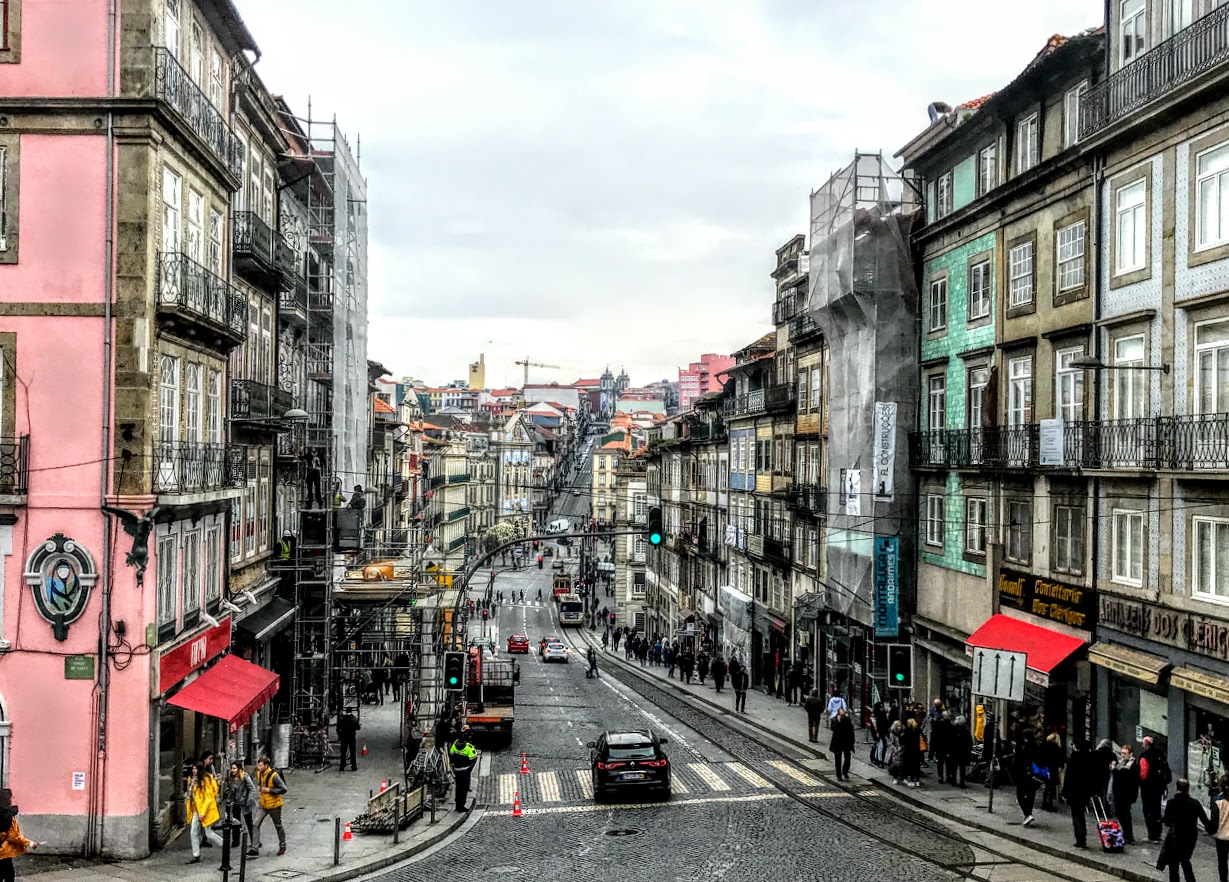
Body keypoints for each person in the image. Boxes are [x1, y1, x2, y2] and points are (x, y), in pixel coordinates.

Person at [1160, 778, 1211, 882]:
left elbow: (1167, 822)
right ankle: (1190, 880)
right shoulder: (1195, 803)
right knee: (1185, 860)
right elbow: (1205, 820)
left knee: (1173, 864)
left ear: (1177, 788)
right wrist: (1210, 829)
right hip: (1190, 837)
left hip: (1175, 837)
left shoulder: (1172, 803)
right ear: (1188, 789)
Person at [185, 762, 224, 863]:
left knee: (209, 833)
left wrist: (202, 813)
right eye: (193, 769)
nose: (194, 771)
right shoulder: (191, 780)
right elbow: (190, 796)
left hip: (206, 810)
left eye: (196, 769)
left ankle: (224, 844)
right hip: (197, 809)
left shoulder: (205, 780)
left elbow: (208, 798)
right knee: (193, 831)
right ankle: (196, 855)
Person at [0, 789, 38, 882]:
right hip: (3, 851)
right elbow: (13, 836)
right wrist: (29, 843)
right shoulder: (8, 816)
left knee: (4, 873)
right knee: (9, 874)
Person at [252, 756, 287, 857]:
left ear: (266, 765)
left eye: (261, 766)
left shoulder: (274, 776)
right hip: (263, 804)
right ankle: (255, 848)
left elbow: (284, 789)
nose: (258, 767)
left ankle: (282, 845)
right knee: (255, 824)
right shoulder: (259, 774)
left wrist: (270, 790)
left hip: (274, 805)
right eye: (258, 765)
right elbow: (261, 783)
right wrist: (260, 787)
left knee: (278, 825)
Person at [1063, 739, 1093, 849]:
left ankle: (1079, 838)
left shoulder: (1074, 758)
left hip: (1074, 791)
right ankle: (1083, 836)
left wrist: (1064, 791)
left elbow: (1068, 777)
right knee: (1081, 815)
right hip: (1084, 792)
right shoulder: (1088, 757)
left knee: (1076, 815)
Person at [1141, 735, 1172, 841]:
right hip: (1159, 787)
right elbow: (1167, 770)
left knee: (1148, 811)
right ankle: (1158, 833)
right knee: (1157, 810)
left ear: (1146, 745)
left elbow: (1143, 774)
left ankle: (1152, 834)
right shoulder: (1160, 753)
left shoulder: (1145, 756)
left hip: (1147, 788)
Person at [1112, 743, 1140, 844]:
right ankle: (1127, 834)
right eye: (1122, 753)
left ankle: (1129, 835)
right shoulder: (1121, 762)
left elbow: (1123, 777)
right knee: (1120, 813)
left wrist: (1114, 769)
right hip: (1119, 793)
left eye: (1125, 753)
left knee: (1125, 814)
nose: (1123, 755)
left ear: (1130, 754)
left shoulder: (1132, 765)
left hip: (1126, 794)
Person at [227, 761, 257, 853]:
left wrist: (249, 800)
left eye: (234, 768)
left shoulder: (245, 777)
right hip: (236, 802)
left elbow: (252, 789)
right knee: (235, 821)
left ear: (239, 769)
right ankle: (235, 840)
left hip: (245, 802)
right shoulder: (231, 778)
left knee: (249, 822)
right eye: (232, 768)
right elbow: (230, 790)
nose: (232, 770)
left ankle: (254, 842)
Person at [1012, 729, 1039, 827]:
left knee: (1020, 795)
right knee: (1031, 795)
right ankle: (1028, 814)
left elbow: (1017, 762)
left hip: (1023, 775)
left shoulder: (1023, 748)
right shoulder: (1036, 747)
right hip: (1034, 775)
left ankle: (1027, 814)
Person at [449, 728, 478, 813]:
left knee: (458, 787)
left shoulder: (455, 743)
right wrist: (469, 769)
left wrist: (453, 765)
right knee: (464, 788)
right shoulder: (469, 747)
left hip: (457, 769)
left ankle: (457, 805)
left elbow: (451, 754)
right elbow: (473, 758)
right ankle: (461, 805)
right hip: (465, 770)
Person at [1208, 774, 1229, 882]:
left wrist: (1211, 831)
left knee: (1222, 862)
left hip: (1222, 837)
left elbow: (1214, 822)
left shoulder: (1217, 801)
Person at [1040, 731, 1067, 812]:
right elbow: (1062, 758)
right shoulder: (1056, 748)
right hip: (1053, 769)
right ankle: (1050, 805)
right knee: (1052, 788)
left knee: (1047, 787)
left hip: (1044, 769)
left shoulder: (1043, 745)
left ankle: (1044, 803)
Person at [830, 706, 855, 781]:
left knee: (848, 758)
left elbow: (851, 730)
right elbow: (833, 728)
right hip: (837, 742)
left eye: (843, 710)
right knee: (838, 759)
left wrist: (852, 741)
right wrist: (838, 721)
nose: (842, 712)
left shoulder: (847, 719)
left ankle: (845, 771)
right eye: (841, 711)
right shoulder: (834, 719)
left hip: (846, 742)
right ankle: (839, 775)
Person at [948, 715, 972, 787]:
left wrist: (949, 750)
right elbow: (969, 742)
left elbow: (950, 741)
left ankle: (953, 781)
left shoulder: (953, 730)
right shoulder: (966, 731)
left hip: (954, 752)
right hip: (963, 752)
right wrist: (969, 751)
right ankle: (962, 782)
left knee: (953, 768)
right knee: (962, 768)